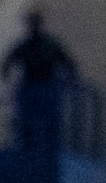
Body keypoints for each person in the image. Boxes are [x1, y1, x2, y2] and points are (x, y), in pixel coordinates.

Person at [4, 12, 77, 152]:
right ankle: (27, 149)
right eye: (31, 23)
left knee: (50, 122)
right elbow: (7, 62)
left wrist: (70, 80)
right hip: (29, 87)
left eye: (35, 23)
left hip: (47, 87)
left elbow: (67, 63)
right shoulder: (25, 46)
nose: (33, 27)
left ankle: (50, 150)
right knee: (26, 122)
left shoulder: (50, 45)